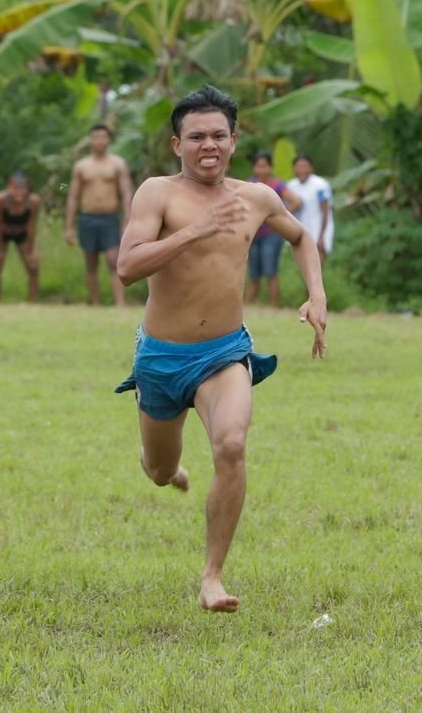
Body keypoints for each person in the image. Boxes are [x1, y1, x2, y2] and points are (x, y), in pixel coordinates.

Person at [114, 85, 327, 613]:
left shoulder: (256, 197)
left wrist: (317, 296)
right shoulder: (156, 193)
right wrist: (195, 231)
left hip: (225, 352)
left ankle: (212, 577)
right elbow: (128, 266)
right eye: (196, 137)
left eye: (217, 135)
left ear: (233, 141)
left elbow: (301, 238)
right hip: (163, 356)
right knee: (161, 472)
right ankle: (168, 466)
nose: (207, 145)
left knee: (231, 447)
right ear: (176, 144)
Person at [64, 124, 132, 306]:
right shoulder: (81, 166)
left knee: (113, 260)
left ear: (108, 139)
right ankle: (95, 302)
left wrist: (128, 219)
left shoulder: (118, 164)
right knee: (91, 261)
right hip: (87, 218)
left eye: (103, 137)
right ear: (90, 140)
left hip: (109, 217)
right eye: (95, 137)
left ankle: (120, 302)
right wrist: (69, 226)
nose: (99, 141)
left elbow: (126, 193)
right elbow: (72, 196)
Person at [244, 152, 301, 306]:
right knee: (253, 273)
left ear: (271, 167)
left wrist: (279, 219)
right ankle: (247, 306)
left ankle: (273, 306)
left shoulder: (277, 185)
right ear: (254, 168)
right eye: (258, 166)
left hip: (272, 235)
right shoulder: (249, 185)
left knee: (270, 271)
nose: (261, 170)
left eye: (265, 166)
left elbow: (296, 202)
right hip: (254, 235)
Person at [0, 171, 42, 303]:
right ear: (9, 188)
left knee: (33, 266)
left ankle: (33, 302)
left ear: (28, 190)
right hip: (2, 232)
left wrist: (31, 251)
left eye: (22, 189)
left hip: (22, 232)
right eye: (15, 189)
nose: (19, 192)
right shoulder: (0, 200)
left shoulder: (34, 201)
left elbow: (31, 226)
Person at [286, 154, 334, 263]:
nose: (302, 170)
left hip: (318, 230)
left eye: (305, 166)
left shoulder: (320, 185)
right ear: (294, 169)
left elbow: (325, 211)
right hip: (300, 232)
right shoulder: (291, 185)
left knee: (317, 266)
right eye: (299, 166)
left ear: (311, 168)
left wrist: (322, 236)